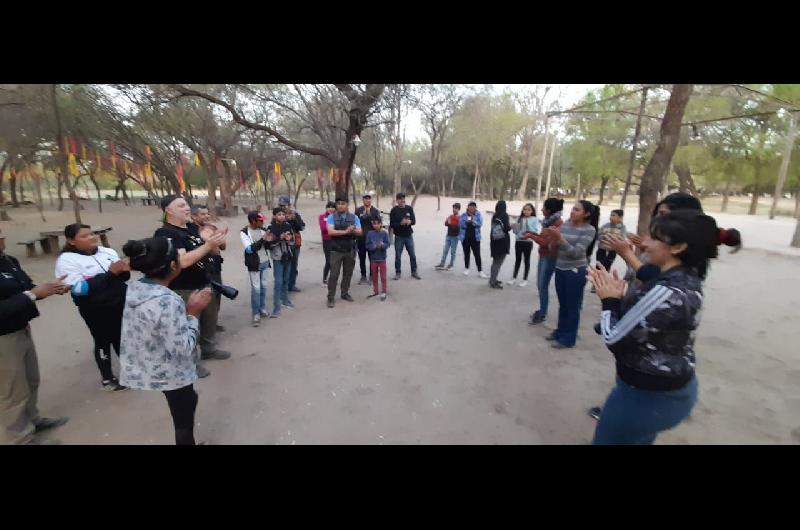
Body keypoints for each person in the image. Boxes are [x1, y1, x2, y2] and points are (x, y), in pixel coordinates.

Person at [587, 209, 718, 444]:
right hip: (665, 391)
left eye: (655, 238)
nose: (644, 243)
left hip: (646, 398)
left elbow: (614, 337)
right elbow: (654, 318)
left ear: (678, 248)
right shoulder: (685, 278)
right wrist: (625, 294)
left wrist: (609, 300)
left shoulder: (667, 290)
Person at [119, 237, 212, 445]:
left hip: (152, 364)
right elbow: (183, 347)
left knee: (188, 401)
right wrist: (192, 313)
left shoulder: (135, 288)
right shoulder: (167, 301)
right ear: (172, 265)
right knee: (183, 421)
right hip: (171, 371)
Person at [1, 227, 70, 445]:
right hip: (3, 337)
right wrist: (32, 294)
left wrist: (50, 288)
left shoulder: (8, 260)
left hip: (20, 327)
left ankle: (32, 420)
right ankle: (19, 438)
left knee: (31, 379)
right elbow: (26, 294)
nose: (2, 237)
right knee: (12, 390)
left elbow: (26, 287)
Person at [153, 195, 229, 378]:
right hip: (183, 287)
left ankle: (209, 349)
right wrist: (208, 244)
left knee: (209, 320)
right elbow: (183, 261)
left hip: (205, 281)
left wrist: (216, 241)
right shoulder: (165, 234)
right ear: (168, 211)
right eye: (181, 206)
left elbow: (212, 250)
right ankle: (190, 363)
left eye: (186, 204)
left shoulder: (192, 228)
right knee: (188, 325)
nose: (187, 208)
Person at [55, 223, 131, 392]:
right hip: (95, 308)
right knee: (103, 340)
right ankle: (107, 378)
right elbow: (79, 289)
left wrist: (123, 271)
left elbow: (122, 278)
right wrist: (110, 274)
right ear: (71, 241)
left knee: (122, 337)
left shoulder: (107, 252)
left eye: (91, 234)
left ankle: (130, 372)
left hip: (119, 302)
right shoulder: (67, 260)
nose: (91, 238)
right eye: (84, 236)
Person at [542, 200, 598, 349]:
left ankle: (569, 338)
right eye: (573, 208)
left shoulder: (589, 230)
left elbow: (576, 253)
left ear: (586, 214)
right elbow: (554, 247)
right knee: (563, 304)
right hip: (560, 268)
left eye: (577, 210)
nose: (573, 211)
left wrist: (560, 239)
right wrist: (551, 239)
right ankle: (560, 331)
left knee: (572, 306)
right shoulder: (565, 225)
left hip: (575, 271)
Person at [527, 198, 564, 324]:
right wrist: (532, 233)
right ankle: (542, 310)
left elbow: (545, 242)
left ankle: (542, 313)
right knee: (540, 284)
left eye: (544, 208)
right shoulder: (547, 222)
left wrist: (530, 236)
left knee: (542, 285)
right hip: (544, 255)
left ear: (549, 210)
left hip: (550, 257)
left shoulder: (557, 224)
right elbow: (542, 237)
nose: (542, 210)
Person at [192, 204, 227, 332]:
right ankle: (202, 327)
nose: (206, 216)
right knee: (205, 296)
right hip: (203, 268)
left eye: (207, 214)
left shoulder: (212, 228)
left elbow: (223, 247)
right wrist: (206, 241)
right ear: (194, 216)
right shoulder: (192, 232)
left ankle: (213, 322)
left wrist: (220, 238)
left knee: (217, 295)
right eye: (203, 214)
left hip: (216, 266)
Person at [326, 197, 362, 308]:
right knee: (334, 274)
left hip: (350, 249)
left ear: (347, 205)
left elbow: (360, 232)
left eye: (343, 203)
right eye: (338, 203)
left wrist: (353, 230)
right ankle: (331, 297)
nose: (340, 205)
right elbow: (330, 231)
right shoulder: (331, 217)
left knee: (348, 274)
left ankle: (344, 293)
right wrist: (346, 231)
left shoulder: (354, 217)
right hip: (336, 250)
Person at [240, 211, 272, 327]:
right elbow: (249, 249)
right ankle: (255, 314)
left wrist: (269, 240)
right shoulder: (244, 232)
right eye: (260, 220)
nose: (263, 222)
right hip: (254, 264)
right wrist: (263, 239)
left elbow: (267, 246)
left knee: (263, 287)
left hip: (265, 262)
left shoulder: (262, 230)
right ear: (253, 221)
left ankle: (262, 308)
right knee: (256, 289)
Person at [266, 207, 296, 318]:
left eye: (283, 214)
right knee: (278, 281)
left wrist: (289, 239)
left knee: (286, 279)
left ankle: (285, 300)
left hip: (287, 255)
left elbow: (292, 240)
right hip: (278, 257)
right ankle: (276, 307)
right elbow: (268, 244)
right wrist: (280, 238)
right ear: (274, 216)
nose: (281, 216)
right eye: (279, 214)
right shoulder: (270, 228)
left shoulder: (287, 225)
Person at [389, 193, 421, 280]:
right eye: (400, 199)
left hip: (408, 236)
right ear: (397, 200)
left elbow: (414, 221)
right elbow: (391, 224)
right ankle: (398, 273)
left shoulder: (409, 208)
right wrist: (400, 223)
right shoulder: (394, 210)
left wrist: (409, 222)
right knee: (398, 256)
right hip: (399, 236)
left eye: (403, 198)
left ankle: (414, 272)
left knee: (412, 255)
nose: (402, 200)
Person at [507, 203, 540, 287]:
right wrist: (514, 226)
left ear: (532, 211)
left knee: (526, 260)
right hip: (518, 241)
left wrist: (527, 223)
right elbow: (516, 232)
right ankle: (514, 278)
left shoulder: (535, 219)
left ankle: (525, 279)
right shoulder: (519, 218)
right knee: (517, 260)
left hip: (528, 242)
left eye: (528, 210)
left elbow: (536, 231)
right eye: (525, 209)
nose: (526, 211)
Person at [278, 196, 305, 293]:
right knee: (283, 265)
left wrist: (293, 219)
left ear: (289, 205)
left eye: (284, 205)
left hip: (295, 244)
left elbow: (302, 227)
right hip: (282, 244)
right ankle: (282, 285)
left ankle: (292, 284)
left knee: (294, 264)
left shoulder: (295, 214)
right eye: (280, 205)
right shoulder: (277, 215)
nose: (282, 208)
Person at [354, 194, 382, 284]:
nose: (367, 200)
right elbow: (355, 223)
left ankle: (372, 275)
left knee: (372, 258)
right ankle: (363, 276)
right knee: (362, 258)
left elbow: (378, 224)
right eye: (365, 199)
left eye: (369, 199)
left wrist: (369, 215)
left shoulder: (375, 211)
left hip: (372, 238)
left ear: (371, 200)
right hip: (361, 238)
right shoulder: (358, 210)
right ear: (363, 200)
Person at [459, 201, 488, 278]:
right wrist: (465, 222)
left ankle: (480, 271)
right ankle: (467, 268)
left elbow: (480, 223)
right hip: (465, 238)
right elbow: (460, 224)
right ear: (468, 207)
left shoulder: (478, 214)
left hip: (475, 238)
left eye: (473, 207)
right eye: (470, 206)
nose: (472, 208)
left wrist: (473, 221)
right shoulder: (463, 215)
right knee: (466, 253)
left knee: (477, 254)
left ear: (475, 208)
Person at [488, 200, 512, 289]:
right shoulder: (505, 215)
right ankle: (493, 282)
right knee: (498, 262)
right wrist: (511, 226)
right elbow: (506, 228)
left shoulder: (495, 215)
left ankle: (492, 279)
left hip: (494, 241)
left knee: (495, 262)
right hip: (502, 241)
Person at [365, 217, 390, 300]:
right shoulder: (369, 233)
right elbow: (367, 245)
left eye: (377, 223)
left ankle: (384, 291)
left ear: (381, 224)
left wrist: (382, 245)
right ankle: (375, 290)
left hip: (382, 258)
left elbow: (388, 244)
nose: (375, 225)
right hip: (373, 259)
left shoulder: (385, 233)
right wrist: (374, 247)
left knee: (383, 276)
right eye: (374, 224)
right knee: (374, 276)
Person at [595, 209, 626, 273]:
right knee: (599, 265)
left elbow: (622, 238)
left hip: (612, 250)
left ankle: (604, 277)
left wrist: (611, 238)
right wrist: (603, 237)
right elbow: (598, 235)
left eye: (613, 215)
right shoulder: (606, 225)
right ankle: (597, 277)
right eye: (610, 215)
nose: (610, 217)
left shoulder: (622, 228)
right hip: (602, 249)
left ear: (620, 218)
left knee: (607, 265)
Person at [435, 203, 461, 271]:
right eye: (453, 208)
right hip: (448, 236)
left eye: (455, 208)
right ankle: (442, 264)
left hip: (455, 237)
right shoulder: (451, 216)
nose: (454, 209)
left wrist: (450, 223)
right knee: (445, 251)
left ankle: (451, 265)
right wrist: (448, 222)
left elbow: (457, 229)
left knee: (453, 252)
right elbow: (445, 224)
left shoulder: (459, 218)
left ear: (458, 209)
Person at [319, 201, 336, 287]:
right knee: (328, 261)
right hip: (327, 241)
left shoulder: (337, 216)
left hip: (336, 241)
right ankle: (324, 279)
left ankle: (332, 279)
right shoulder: (322, 217)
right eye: (329, 207)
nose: (331, 208)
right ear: (326, 208)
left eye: (333, 207)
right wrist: (332, 227)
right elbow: (323, 228)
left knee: (335, 261)